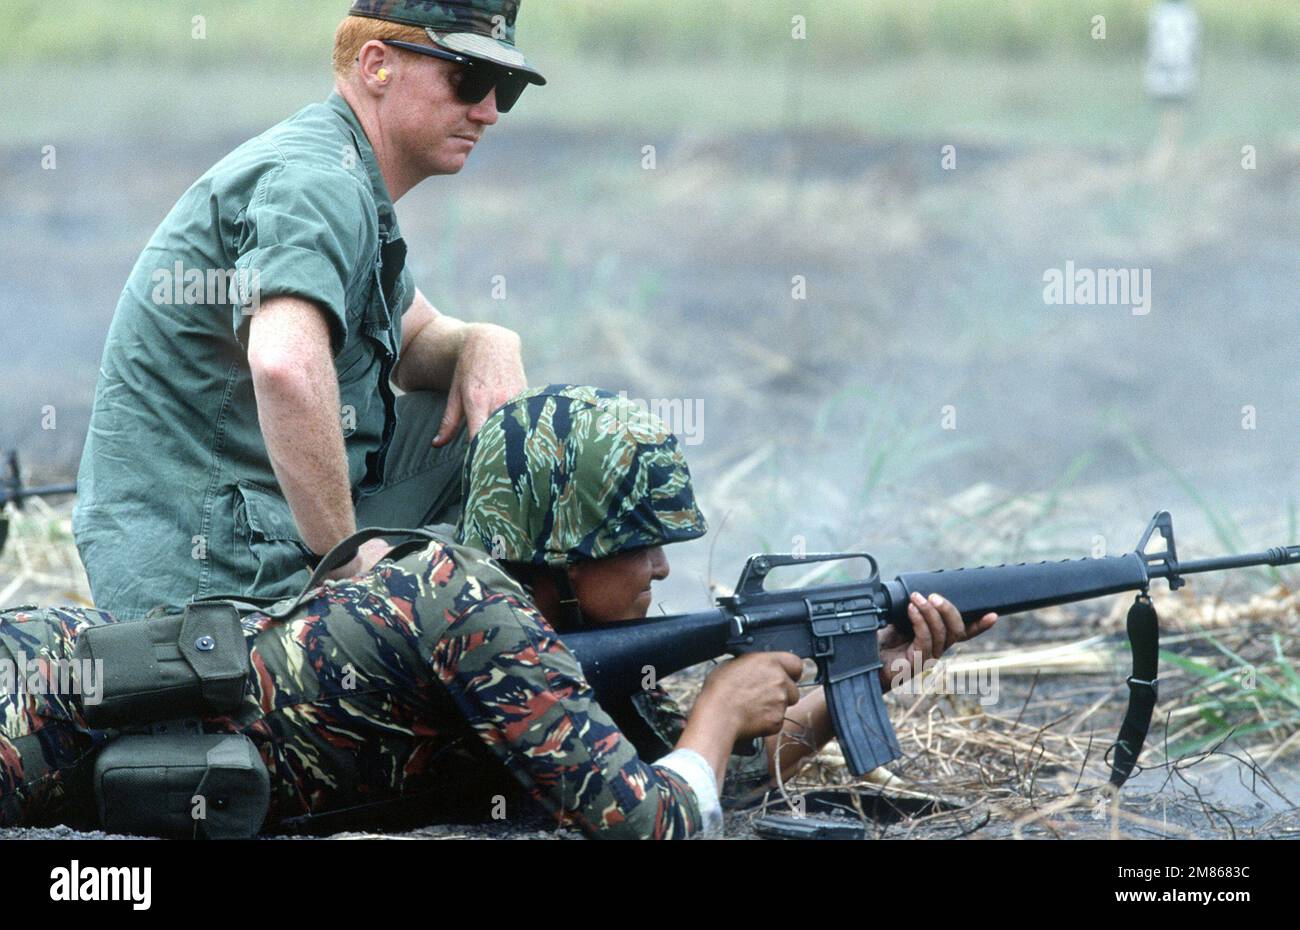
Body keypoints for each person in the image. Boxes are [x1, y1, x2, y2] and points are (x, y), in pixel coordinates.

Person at [2, 386, 995, 839]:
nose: (658, 567)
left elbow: (688, 785)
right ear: (559, 543)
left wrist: (854, 687)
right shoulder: (476, 611)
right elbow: (648, 824)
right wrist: (721, 707)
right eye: (635, 542)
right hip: (35, 705)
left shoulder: (523, 630)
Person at [73, 1, 539, 620]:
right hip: (214, 575)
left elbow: (418, 334)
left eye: (503, 89)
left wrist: (485, 339)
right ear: (377, 65)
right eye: (469, 80)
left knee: (517, 434)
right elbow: (284, 365)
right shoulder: (314, 181)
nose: (487, 112)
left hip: (261, 522)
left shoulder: (344, 171)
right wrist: (349, 563)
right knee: (547, 456)